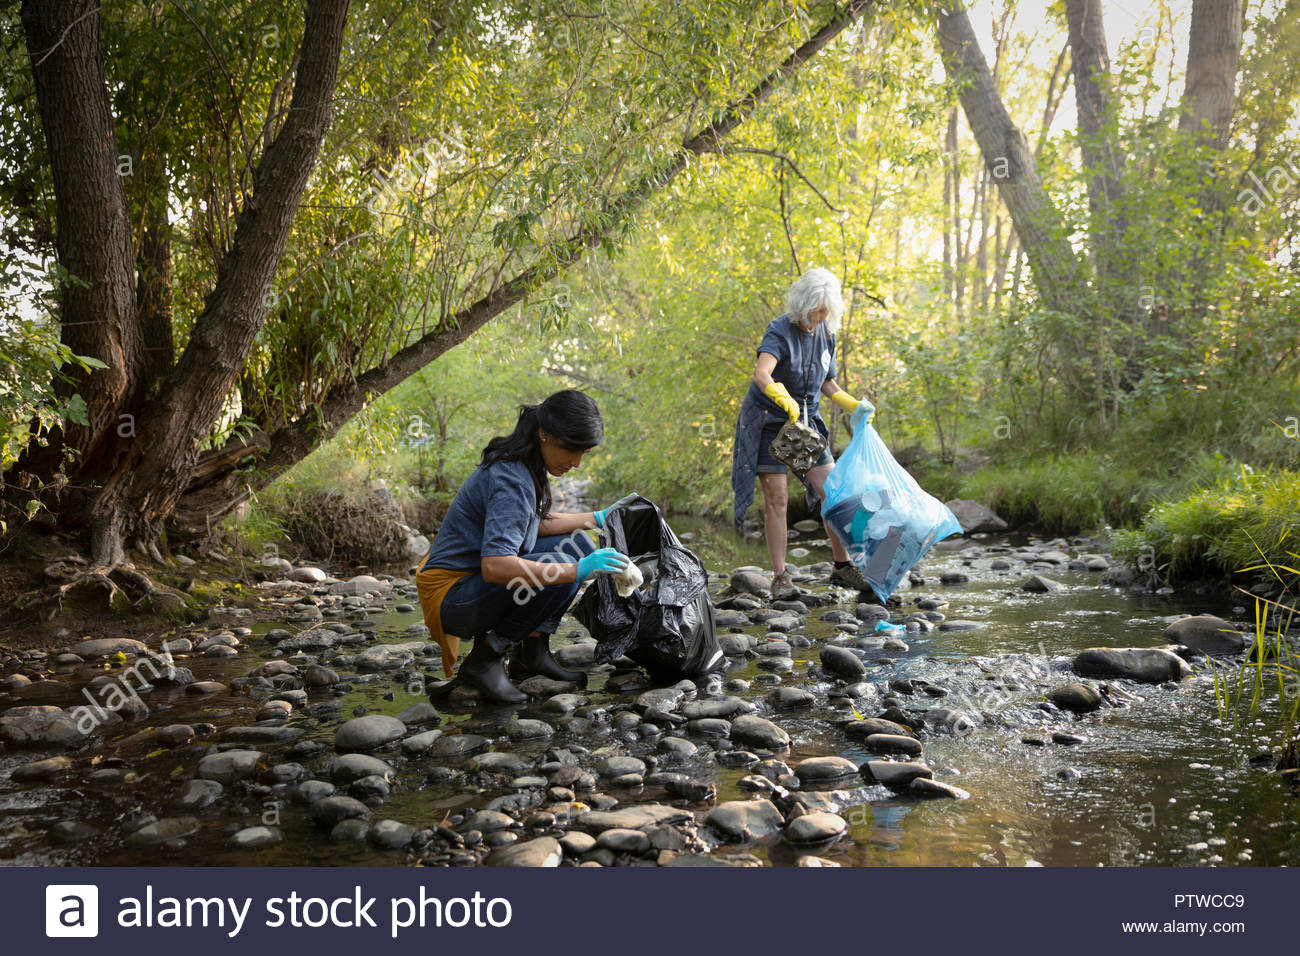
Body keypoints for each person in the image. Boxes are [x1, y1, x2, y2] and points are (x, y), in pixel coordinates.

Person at [416, 389, 630, 705]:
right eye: (572, 450)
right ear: (545, 434)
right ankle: (485, 660)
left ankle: (532, 653)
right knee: (561, 568)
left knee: (577, 545)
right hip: (453, 597)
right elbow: (495, 565)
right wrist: (576, 571)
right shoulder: (512, 476)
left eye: (584, 452)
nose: (577, 463)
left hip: (472, 587)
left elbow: (535, 525)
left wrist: (598, 518)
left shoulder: (527, 464)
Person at [731, 267, 876, 601]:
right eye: (816, 311)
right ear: (802, 305)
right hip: (770, 421)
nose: (820, 316)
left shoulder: (827, 333)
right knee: (777, 498)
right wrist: (780, 395)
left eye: (826, 311)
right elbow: (761, 374)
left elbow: (827, 381)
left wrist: (851, 402)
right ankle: (781, 576)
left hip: (804, 425)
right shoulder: (780, 330)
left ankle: (842, 567)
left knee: (833, 491)